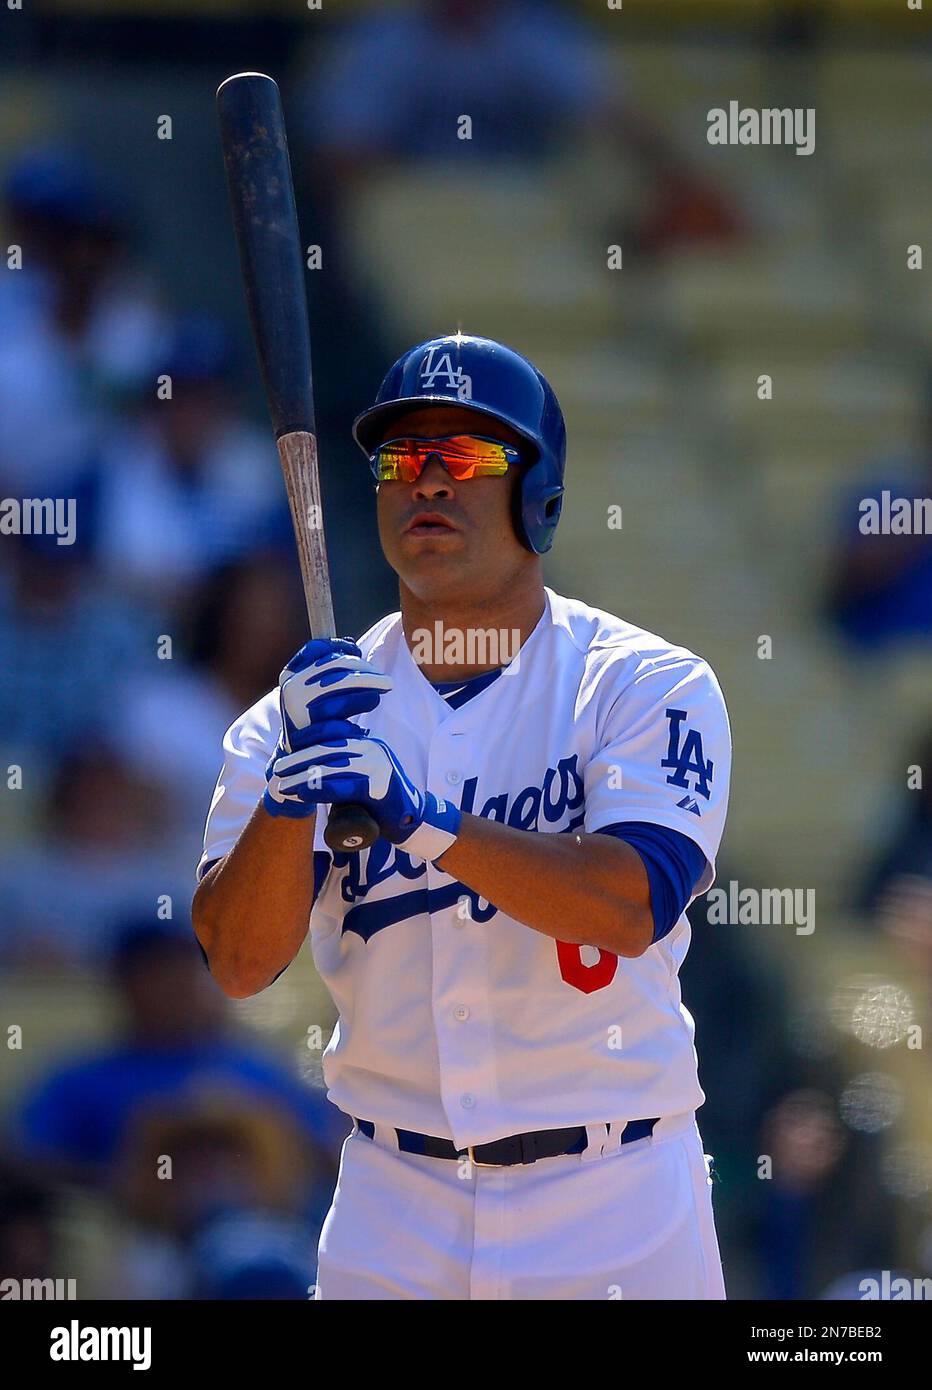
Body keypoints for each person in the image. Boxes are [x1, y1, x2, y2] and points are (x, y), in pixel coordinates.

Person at [193, 333, 732, 1301]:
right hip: (392, 1205)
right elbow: (237, 960)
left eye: (463, 456)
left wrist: (421, 818)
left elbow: (627, 902)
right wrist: (287, 792)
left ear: (539, 495)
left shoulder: (641, 685)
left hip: (613, 1198)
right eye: (402, 459)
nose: (426, 483)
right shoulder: (303, 718)